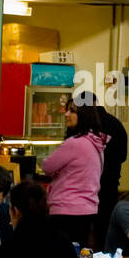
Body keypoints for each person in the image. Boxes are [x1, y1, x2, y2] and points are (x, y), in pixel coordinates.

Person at [40, 101, 108, 247]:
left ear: (83, 115)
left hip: (65, 210)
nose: (66, 114)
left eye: (72, 111)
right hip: (88, 209)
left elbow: (47, 166)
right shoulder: (97, 144)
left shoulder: (74, 143)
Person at [81, 92, 129, 249]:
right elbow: (123, 156)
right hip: (110, 185)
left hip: (85, 187)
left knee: (83, 232)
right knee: (105, 229)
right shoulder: (116, 124)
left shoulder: (84, 127)